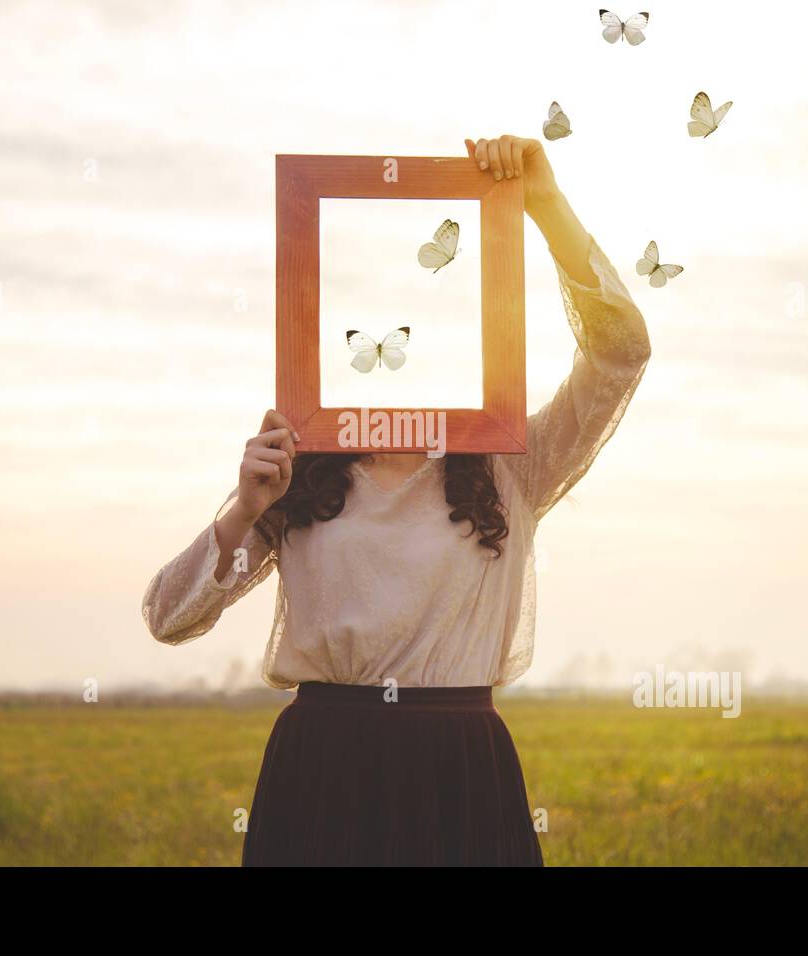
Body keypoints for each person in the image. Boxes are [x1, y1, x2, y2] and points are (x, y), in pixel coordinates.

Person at [142, 133, 652, 866]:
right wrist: (245, 509)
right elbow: (168, 617)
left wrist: (541, 201)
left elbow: (621, 352)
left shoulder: (514, 465)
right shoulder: (297, 472)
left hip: (459, 768)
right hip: (323, 768)